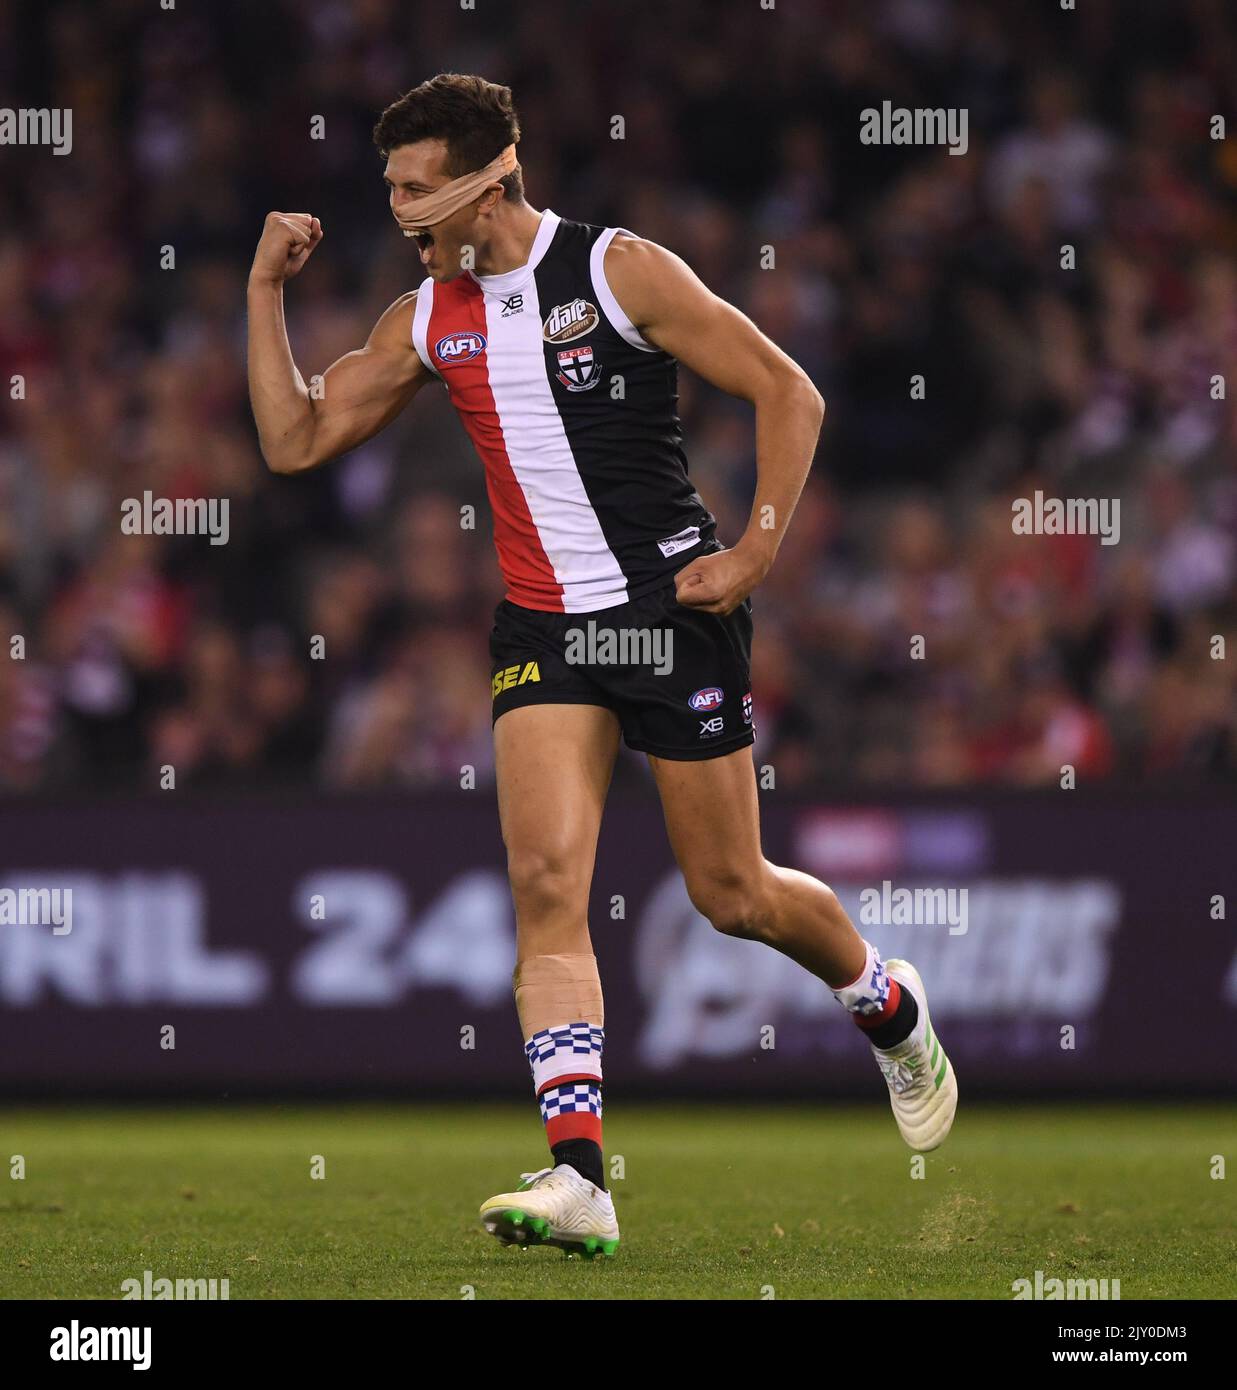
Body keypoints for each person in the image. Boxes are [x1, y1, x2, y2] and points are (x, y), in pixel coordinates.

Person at [246, 72, 957, 1260]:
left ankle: (885, 1002)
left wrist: (753, 552)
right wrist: (268, 291)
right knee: (543, 885)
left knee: (732, 894)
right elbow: (293, 436)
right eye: (391, 189)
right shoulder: (428, 315)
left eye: (417, 190)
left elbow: (789, 388)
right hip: (544, 629)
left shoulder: (618, 271)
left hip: (669, 615)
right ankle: (581, 1173)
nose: (400, 215)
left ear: (489, 184)